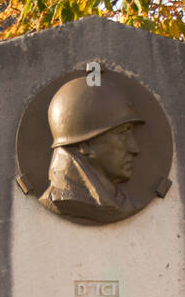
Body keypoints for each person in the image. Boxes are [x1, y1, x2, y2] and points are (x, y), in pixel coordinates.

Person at [39, 77, 145, 222]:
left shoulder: (121, 202)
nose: (134, 148)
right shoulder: (65, 201)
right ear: (85, 144)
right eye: (122, 134)